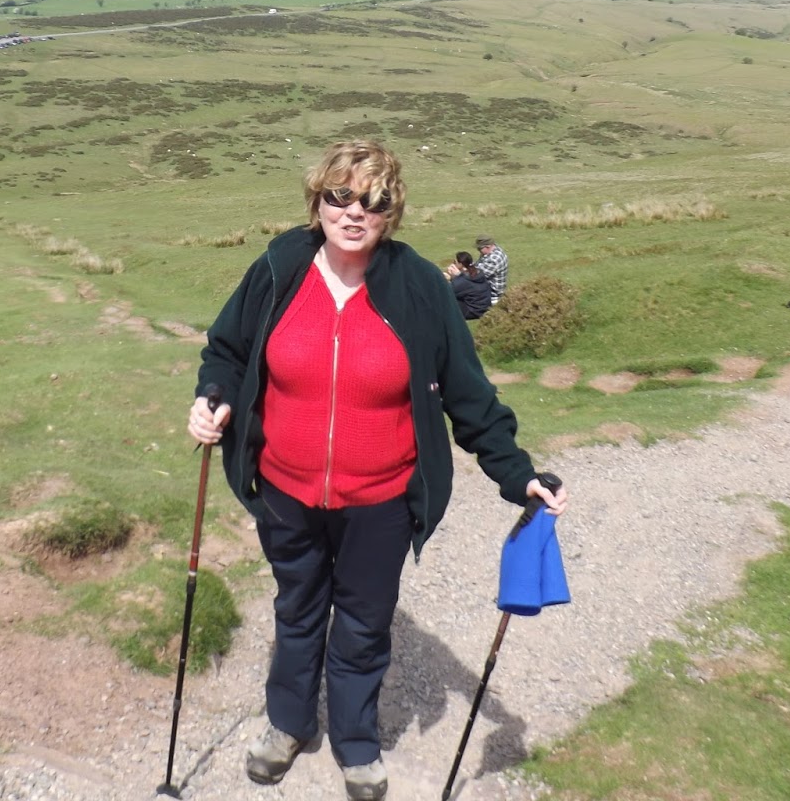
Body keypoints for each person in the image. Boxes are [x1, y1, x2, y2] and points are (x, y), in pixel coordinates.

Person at [187, 139, 565, 801]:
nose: (354, 211)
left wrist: (518, 474)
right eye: (340, 195)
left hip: (381, 500)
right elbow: (227, 349)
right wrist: (212, 399)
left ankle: (356, 744)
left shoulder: (419, 286)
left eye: (374, 200)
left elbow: (470, 394)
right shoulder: (280, 265)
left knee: (362, 623)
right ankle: (288, 725)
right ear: (318, 200)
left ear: (392, 212)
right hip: (285, 489)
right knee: (297, 611)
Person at [445, 250, 493, 320]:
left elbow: (447, 292)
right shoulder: (477, 272)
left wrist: (450, 279)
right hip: (484, 307)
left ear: (461, 264)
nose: (453, 264)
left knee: (446, 301)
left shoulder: (463, 281)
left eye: (455, 262)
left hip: (475, 311)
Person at [473, 234, 509, 304]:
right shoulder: (492, 251)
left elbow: (476, 276)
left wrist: (459, 273)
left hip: (492, 295)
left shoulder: (493, 259)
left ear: (488, 246)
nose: (478, 250)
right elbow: (478, 266)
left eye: (479, 248)